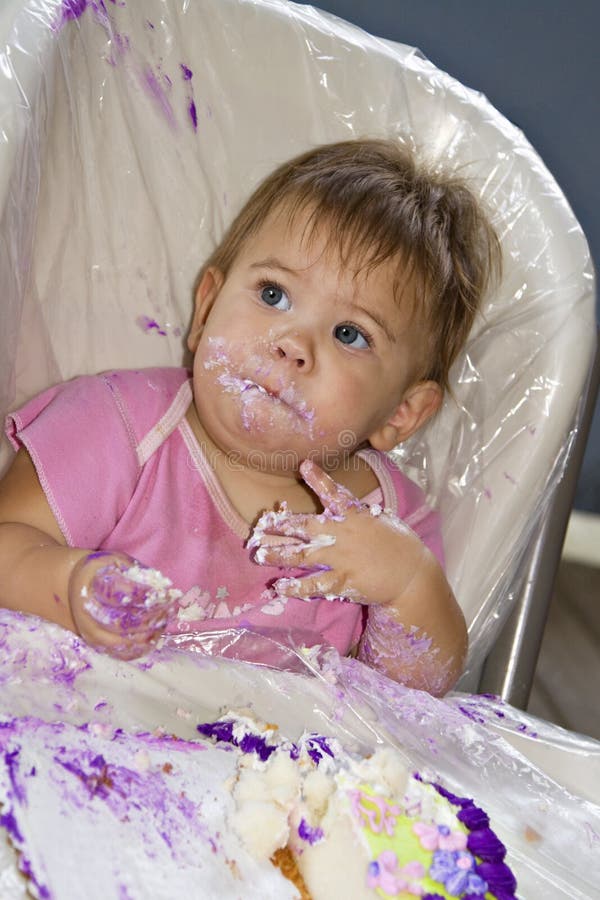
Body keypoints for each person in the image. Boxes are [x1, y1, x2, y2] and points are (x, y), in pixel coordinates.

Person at [0, 139, 499, 696]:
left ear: (402, 412)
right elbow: (7, 544)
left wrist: (408, 587)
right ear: (207, 308)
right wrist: (71, 586)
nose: (293, 343)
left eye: (349, 334)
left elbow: (414, 696)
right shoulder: (116, 427)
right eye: (273, 294)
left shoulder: (388, 521)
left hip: (265, 772)